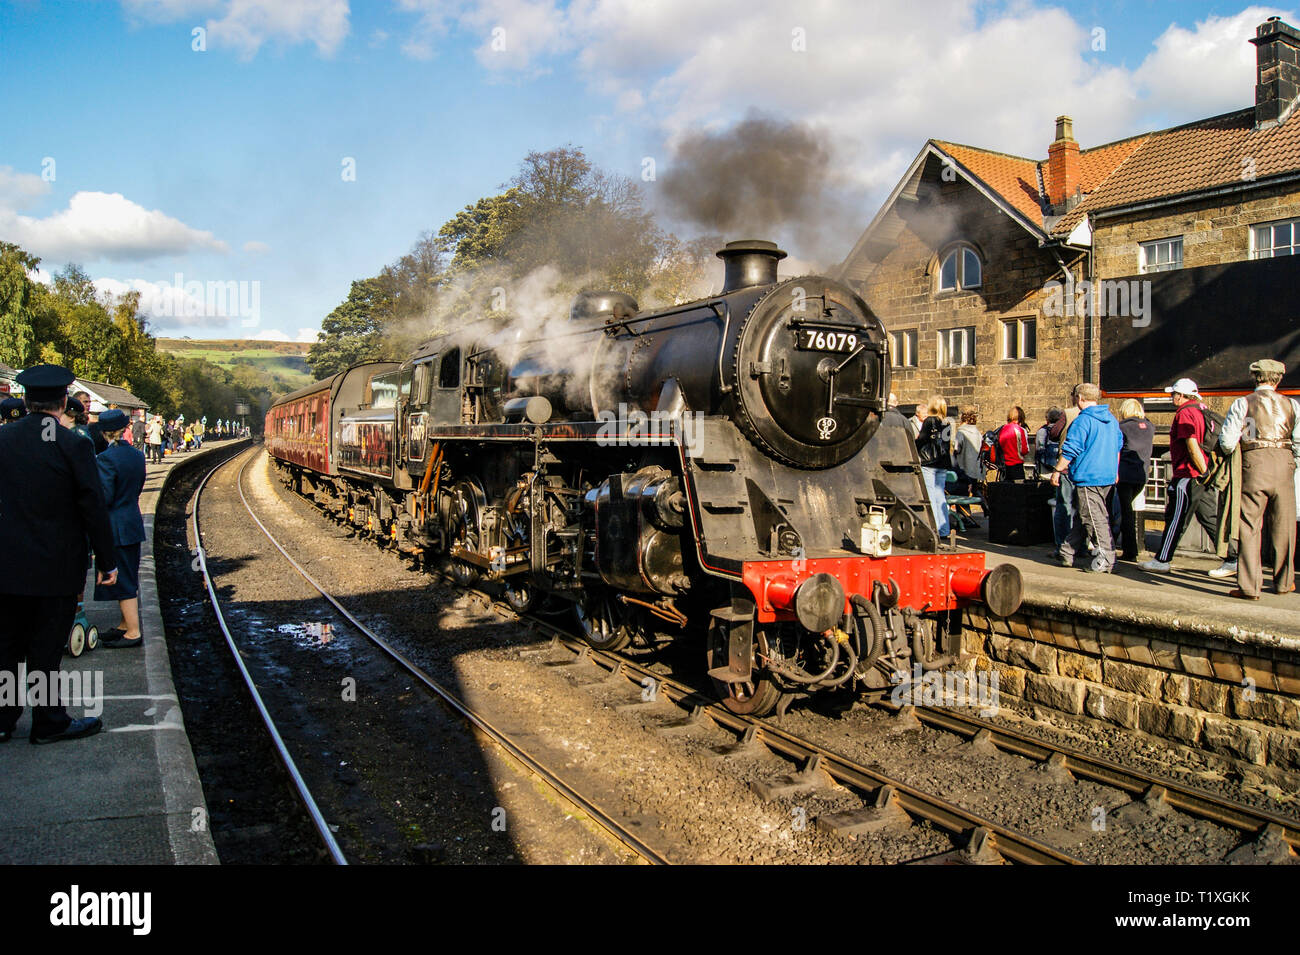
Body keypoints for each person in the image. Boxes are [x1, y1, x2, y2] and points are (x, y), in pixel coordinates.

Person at [0, 364, 117, 744]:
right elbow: (92, 507)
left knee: (6, 647)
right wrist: (107, 561)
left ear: (27, 400)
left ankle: (3, 720)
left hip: (6, 566)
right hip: (55, 567)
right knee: (46, 650)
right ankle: (48, 722)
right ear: (63, 400)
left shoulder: (3, 439)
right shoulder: (73, 444)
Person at [1217, 359, 1300, 599]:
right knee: (1284, 526)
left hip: (1254, 463)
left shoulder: (1242, 404)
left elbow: (1227, 442)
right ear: (1279, 379)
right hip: (1285, 463)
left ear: (1255, 378)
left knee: (1249, 525)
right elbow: (1298, 441)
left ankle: (1250, 587)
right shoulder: (1292, 405)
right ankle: (1285, 582)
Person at [1141, 378, 1237, 576]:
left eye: (1173, 394)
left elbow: (1191, 443)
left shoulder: (1185, 413)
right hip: (1202, 476)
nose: (1171, 398)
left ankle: (1162, 559)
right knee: (1210, 518)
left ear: (1181, 395)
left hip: (1188, 474)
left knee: (1177, 518)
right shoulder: (1202, 409)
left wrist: (1202, 471)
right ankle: (1232, 558)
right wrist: (1207, 474)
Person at [1050, 383, 1122, 573]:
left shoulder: (1083, 421)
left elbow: (1071, 448)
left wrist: (1057, 470)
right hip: (1106, 476)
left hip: (1089, 476)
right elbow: (1118, 446)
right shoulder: (1111, 420)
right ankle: (1066, 551)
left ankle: (1106, 558)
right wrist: (1115, 471)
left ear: (1080, 398)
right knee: (1086, 516)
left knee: (1093, 518)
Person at [93, 409, 148, 646]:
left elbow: (104, 496)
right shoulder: (137, 456)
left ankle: (133, 632)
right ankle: (125, 624)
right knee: (129, 573)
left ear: (104, 433)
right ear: (124, 429)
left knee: (121, 578)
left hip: (114, 526)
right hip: (131, 520)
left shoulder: (105, 459)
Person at [1115, 399, 1154, 562]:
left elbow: (1117, 448)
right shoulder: (1150, 426)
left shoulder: (1122, 427)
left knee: (1125, 512)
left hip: (1124, 474)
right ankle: (1130, 548)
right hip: (1141, 474)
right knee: (1127, 510)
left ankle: (1129, 550)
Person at [915, 395, 953, 537]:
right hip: (942, 463)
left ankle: (934, 528)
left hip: (929, 462)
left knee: (930, 495)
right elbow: (946, 443)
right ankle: (944, 529)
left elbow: (921, 440)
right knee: (940, 495)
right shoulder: (947, 423)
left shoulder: (929, 421)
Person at [952, 409, 984, 494]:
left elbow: (957, 449)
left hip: (964, 469)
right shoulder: (978, 434)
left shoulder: (961, 432)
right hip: (976, 469)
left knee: (962, 494)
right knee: (975, 492)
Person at [996, 406, 1030, 481]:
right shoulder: (1020, 430)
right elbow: (1024, 450)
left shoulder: (1002, 429)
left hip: (1004, 466)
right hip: (1017, 465)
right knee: (1018, 490)